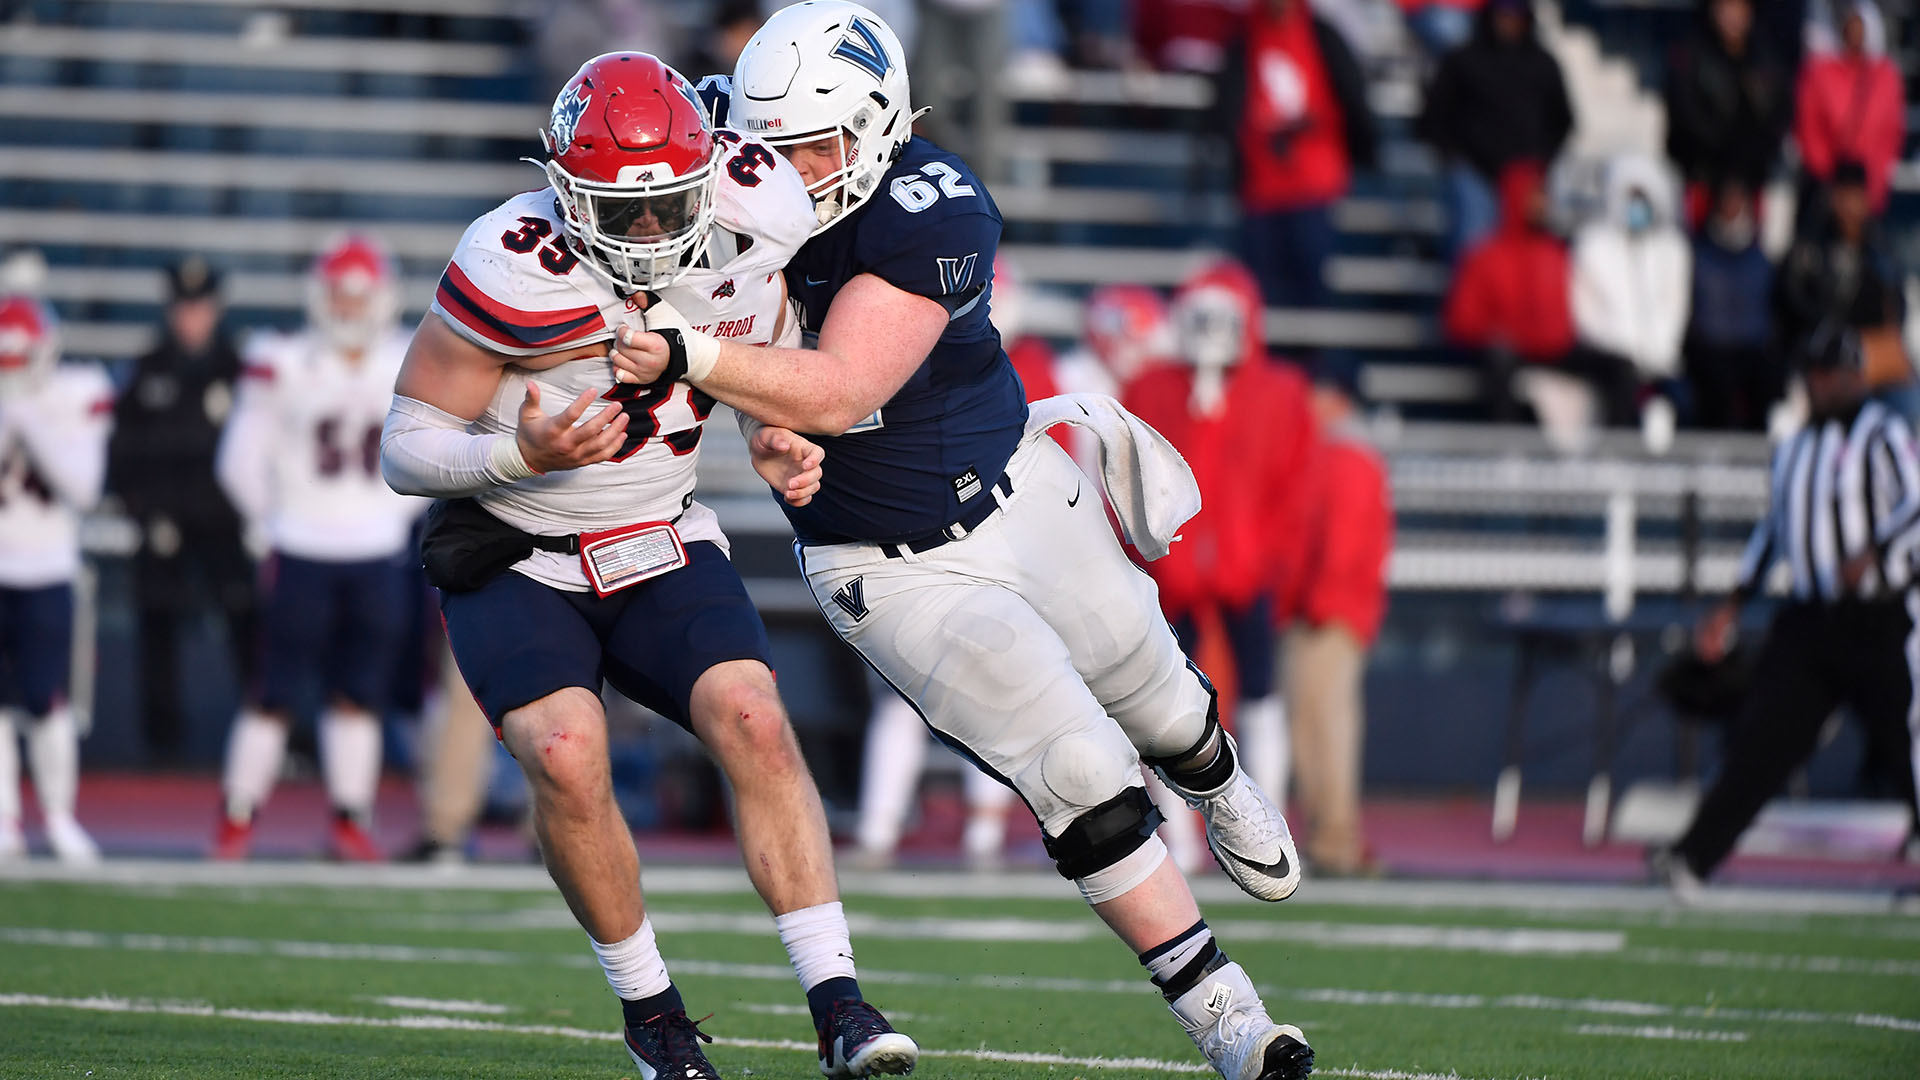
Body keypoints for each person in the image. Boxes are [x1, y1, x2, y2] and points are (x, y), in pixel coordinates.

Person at [624, 7, 1315, 1079]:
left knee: (1159, 698)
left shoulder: (931, 202)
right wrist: (764, 428)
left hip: (1019, 492)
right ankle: (1229, 1017)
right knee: (1077, 766)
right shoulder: (724, 186)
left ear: (877, 125)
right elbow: (762, 357)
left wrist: (693, 355)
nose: (792, 172)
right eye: (772, 146)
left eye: (817, 146)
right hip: (884, 565)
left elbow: (840, 384)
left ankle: (1216, 776)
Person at [378, 53, 915, 1080]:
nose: (651, 231)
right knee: (565, 754)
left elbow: (770, 356)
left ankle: (840, 1003)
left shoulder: (758, 216)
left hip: (660, 536)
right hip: (519, 552)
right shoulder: (512, 261)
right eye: (622, 212)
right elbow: (404, 446)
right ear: (564, 192)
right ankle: (654, 1017)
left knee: (754, 718)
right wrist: (518, 456)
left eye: (671, 203)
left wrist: (773, 436)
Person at [1654, 325, 1920, 891]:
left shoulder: (1885, 434)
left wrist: (1875, 551)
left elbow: (1917, 504)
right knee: (1762, 739)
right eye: (1813, 375)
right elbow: (1772, 531)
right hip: (1809, 620)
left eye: (1829, 375)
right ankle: (1693, 858)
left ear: (1853, 377)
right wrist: (1731, 605)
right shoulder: (1794, 448)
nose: (1819, 386)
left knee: (1907, 742)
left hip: (1879, 617)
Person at [209, 236, 426, 861]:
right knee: (272, 693)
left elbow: (430, 454)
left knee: (357, 694)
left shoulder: (404, 356)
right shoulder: (281, 359)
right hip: (301, 547)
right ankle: (237, 815)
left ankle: (351, 819)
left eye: (359, 297)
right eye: (340, 296)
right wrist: (273, 523)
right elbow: (238, 462)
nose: (349, 309)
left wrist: (389, 516)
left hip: (373, 551)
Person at [1121, 260, 1315, 817]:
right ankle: (1178, 829)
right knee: (1164, 704)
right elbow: (1129, 480)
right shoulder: (1151, 386)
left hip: (1247, 570)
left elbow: (1295, 490)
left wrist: (1269, 562)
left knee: (1260, 694)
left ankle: (1267, 816)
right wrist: (1150, 556)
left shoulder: (1279, 392)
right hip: (1171, 569)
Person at [108, 258, 256, 761]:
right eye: (183, 307)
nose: (191, 318)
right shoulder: (147, 368)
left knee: (246, 620)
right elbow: (122, 449)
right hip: (164, 521)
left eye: (200, 307)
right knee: (158, 622)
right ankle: (161, 741)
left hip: (225, 520)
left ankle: (267, 733)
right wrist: (140, 510)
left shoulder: (239, 368)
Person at [0, 295, 111, 863]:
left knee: (48, 699)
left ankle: (59, 816)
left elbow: (83, 487)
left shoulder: (76, 391)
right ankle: (5, 821)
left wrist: (27, 421)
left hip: (46, 566)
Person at [1281, 360, 1390, 876]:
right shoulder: (1336, 452)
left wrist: (1318, 601)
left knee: (1324, 725)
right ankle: (1327, 837)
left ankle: (1336, 840)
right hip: (1320, 606)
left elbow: (1341, 543)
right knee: (1312, 724)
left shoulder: (1347, 456)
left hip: (1329, 611)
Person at [1219, 0, 1378, 309]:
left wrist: (1365, 149)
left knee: (1310, 284)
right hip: (1261, 184)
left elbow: (1352, 93)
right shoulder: (1244, 38)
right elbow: (1229, 106)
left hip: (1314, 183)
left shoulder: (1322, 35)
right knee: (1260, 288)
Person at [1417, 0, 1573, 260]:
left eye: (1515, 14)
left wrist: (1541, 163)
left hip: (1525, 178)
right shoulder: (1463, 60)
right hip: (1475, 176)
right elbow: (1433, 118)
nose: (1508, 20)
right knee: (1472, 250)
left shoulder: (1543, 64)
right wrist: (1455, 158)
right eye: (1502, 13)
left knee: (1530, 254)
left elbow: (1563, 120)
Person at [1442, 160, 1575, 421]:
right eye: (1535, 196)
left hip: (1550, 352)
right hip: (1506, 354)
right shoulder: (1484, 255)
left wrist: (1546, 340)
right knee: (1501, 359)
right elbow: (1462, 320)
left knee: (1616, 367)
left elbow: (1566, 322)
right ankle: (1506, 437)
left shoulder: (1556, 255)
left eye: (1543, 196)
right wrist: (1504, 333)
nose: (1541, 205)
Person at [1568, 154, 1691, 428]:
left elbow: (1675, 306)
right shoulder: (1593, 247)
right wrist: (1624, 351)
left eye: (1642, 198)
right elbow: (1585, 313)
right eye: (1630, 197)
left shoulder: (1671, 249)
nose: (1636, 206)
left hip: (1660, 361)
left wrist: (1657, 354)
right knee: (1621, 389)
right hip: (1611, 359)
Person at [1663, 0, 1791, 224]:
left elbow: (1778, 115)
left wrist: (1750, 165)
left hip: (1752, 178)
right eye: (1726, 8)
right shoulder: (1691, 55)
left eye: (1740, 8)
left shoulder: (1766, 57)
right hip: (1704, 177)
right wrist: (1721, 167)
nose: (1733, 17)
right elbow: (1685, 115)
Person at [1793, 0, 1904, 220]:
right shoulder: (1819, 72)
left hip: (1867, 188)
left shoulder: (1885, 76)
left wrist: (1870, 188)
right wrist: (1832, 184)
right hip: (1828, 186)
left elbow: (1890, 134)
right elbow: (1808, 127)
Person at [1684, 182, 1780, 430]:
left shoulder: (1762, 255)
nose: (1732, 208)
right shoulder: (1700, 252)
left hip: (1753, 349)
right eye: (1727, 201)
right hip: (1710, 349)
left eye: (1738, 201)